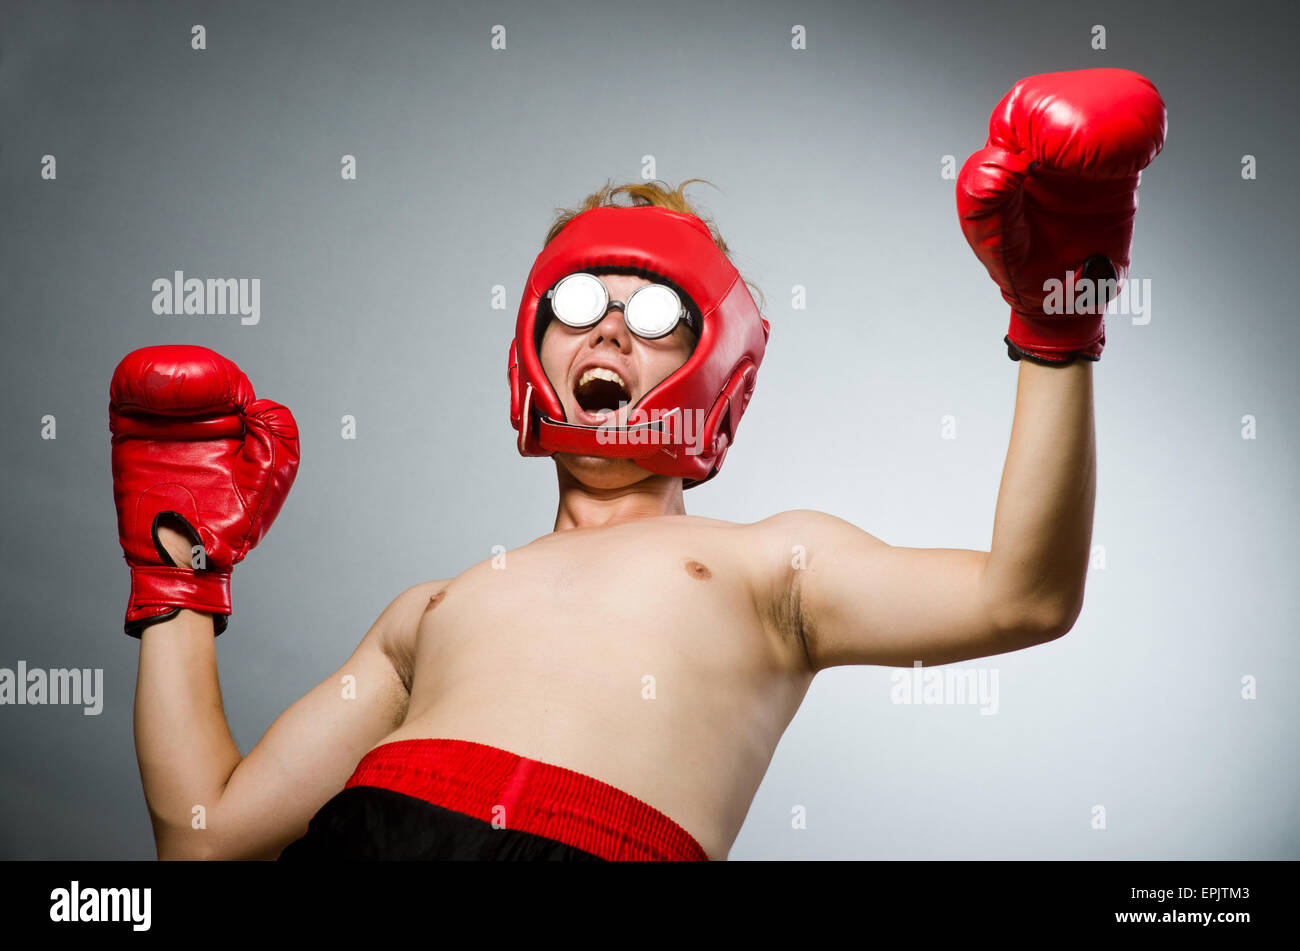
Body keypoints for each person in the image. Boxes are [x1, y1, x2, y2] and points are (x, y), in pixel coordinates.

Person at [110, 68, 1166, 861]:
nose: (608, 331)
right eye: (579, 304)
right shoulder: (430, 609)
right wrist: (180, 578)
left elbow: (1022, 598)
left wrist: (1051, 329)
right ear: (533, 346)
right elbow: (205, 834)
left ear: (715, 364)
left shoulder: (769, 566)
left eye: (654, 312)